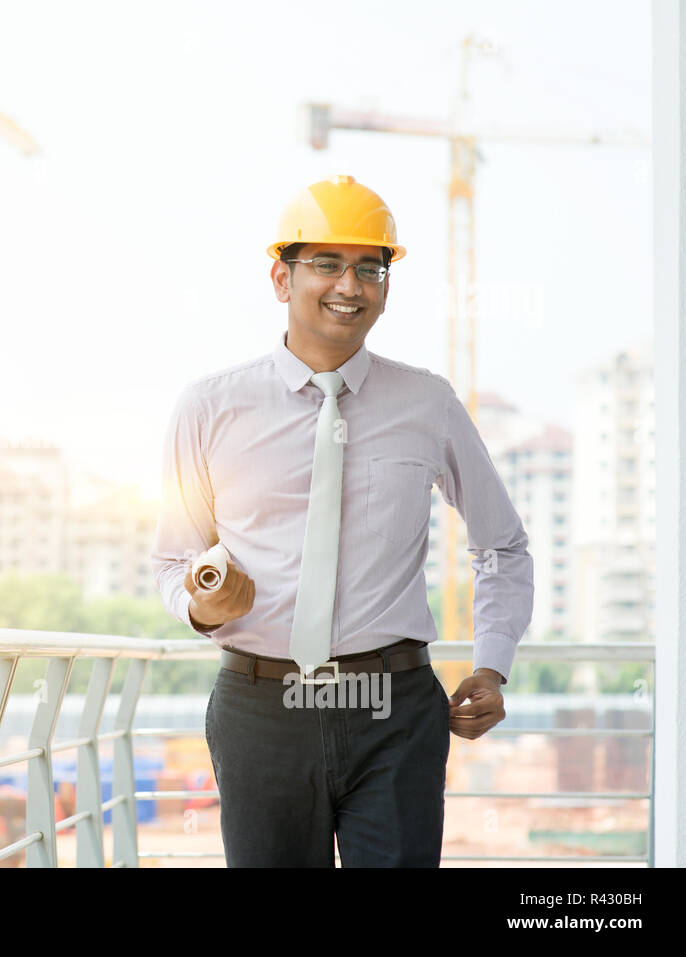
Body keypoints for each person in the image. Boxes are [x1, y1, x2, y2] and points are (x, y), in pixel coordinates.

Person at [150, 174, 533, 867]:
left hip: (395, 713)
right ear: (281, 277)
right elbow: (174, 561)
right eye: (327, 264)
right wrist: (202, 608)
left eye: (370, 268)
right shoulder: (209, 407)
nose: (350, 286)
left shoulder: (427, 402)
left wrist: (492, 664)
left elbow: (502, 544)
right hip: (260, 712)